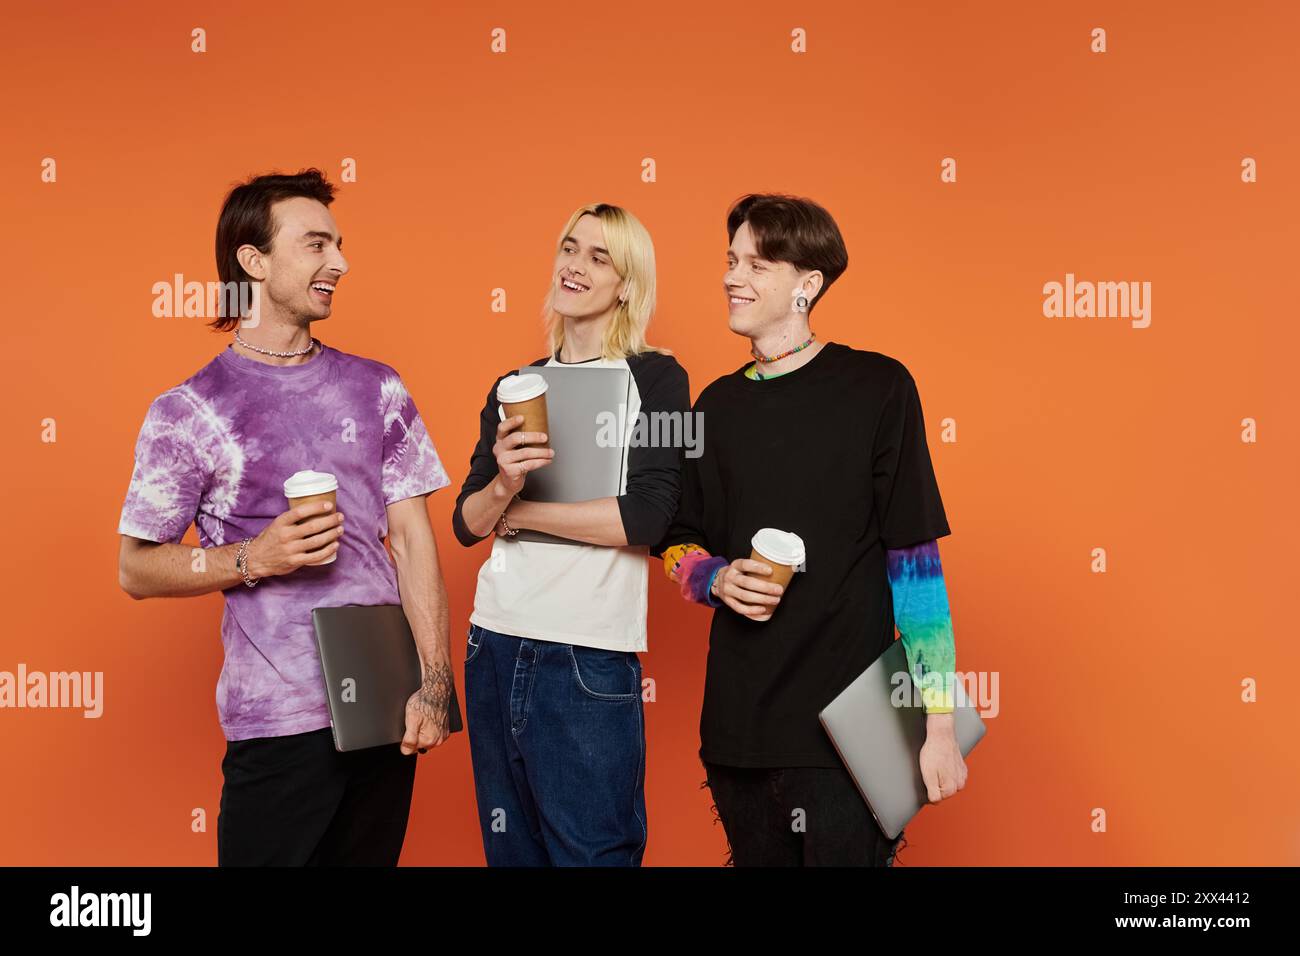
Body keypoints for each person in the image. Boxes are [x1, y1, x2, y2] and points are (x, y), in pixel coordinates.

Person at [117, 169, 455, 866]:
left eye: (339, 245)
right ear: (255, 260)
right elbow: (136, 566)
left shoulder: (377, 386)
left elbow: (415, 539)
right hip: (278, 722)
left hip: (385, 709)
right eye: (316, 245)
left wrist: (434, 680)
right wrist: (253, 558)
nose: (340, 262)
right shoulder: (190, 410)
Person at [656, 193, 968, 866]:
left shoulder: (879, 387)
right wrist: (713, 578)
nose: (733, 277)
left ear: (808, 284)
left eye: (758, 263)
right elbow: (676, 542)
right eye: (731, 259)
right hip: (738, 734)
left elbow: (915, 564)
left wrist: (938, 723)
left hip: (849, 735)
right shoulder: (715, 406)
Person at [452, 203, 690, 866]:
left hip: (587, 655)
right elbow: (466, 523)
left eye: (599, 256)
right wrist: (502, 485)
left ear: (626, 285)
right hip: (493, 644)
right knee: (513, 854)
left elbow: (644, 517)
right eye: (568, 247)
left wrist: (521, 514)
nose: (575, 265)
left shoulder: (656, 379)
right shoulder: (515, 385)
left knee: (593, 855)